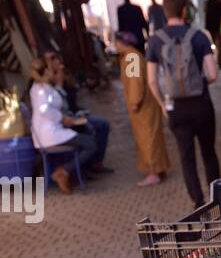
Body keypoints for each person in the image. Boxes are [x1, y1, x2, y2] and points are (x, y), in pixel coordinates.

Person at [146, 0, 219, 208]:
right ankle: (217, 199)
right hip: (201, 104)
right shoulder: (198, 36)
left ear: (165, 11)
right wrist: (200, 84)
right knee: (208, 153)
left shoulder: (155, 41)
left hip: (175, 107)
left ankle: (198, 202)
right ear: (184, 10)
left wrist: (163, 104)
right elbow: (213, 73)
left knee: (186, 158)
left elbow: (151, 81)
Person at [28, 54, 108, 193]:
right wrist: (62, 118)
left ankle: (74, 171)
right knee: (91, 143)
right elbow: (44, 110)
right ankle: (64, 172)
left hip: (53, 130)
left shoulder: (45, 86)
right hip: (49, 134)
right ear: (46, 71)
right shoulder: (40, 89)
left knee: (89, 134)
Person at [116, 30, 169, 187]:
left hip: (143, 106)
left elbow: (135, 82)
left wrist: (134, 101)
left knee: (148, 138)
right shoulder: (132, 56)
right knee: (151, 136)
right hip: (146, 105)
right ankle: (158, 169)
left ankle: (154, 171)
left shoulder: (131, 57)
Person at [45, 50, 112, 169]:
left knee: (102, 124)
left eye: (56, 58)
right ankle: (76, 167)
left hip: (72, 115)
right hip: (58, 123)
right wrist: (59, 85)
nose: (55, 61)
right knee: (89, 132)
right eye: (51, 59)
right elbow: (52, 108)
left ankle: (95, 162)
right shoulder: (43, 83)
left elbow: (71, 102)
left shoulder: (65, 77)